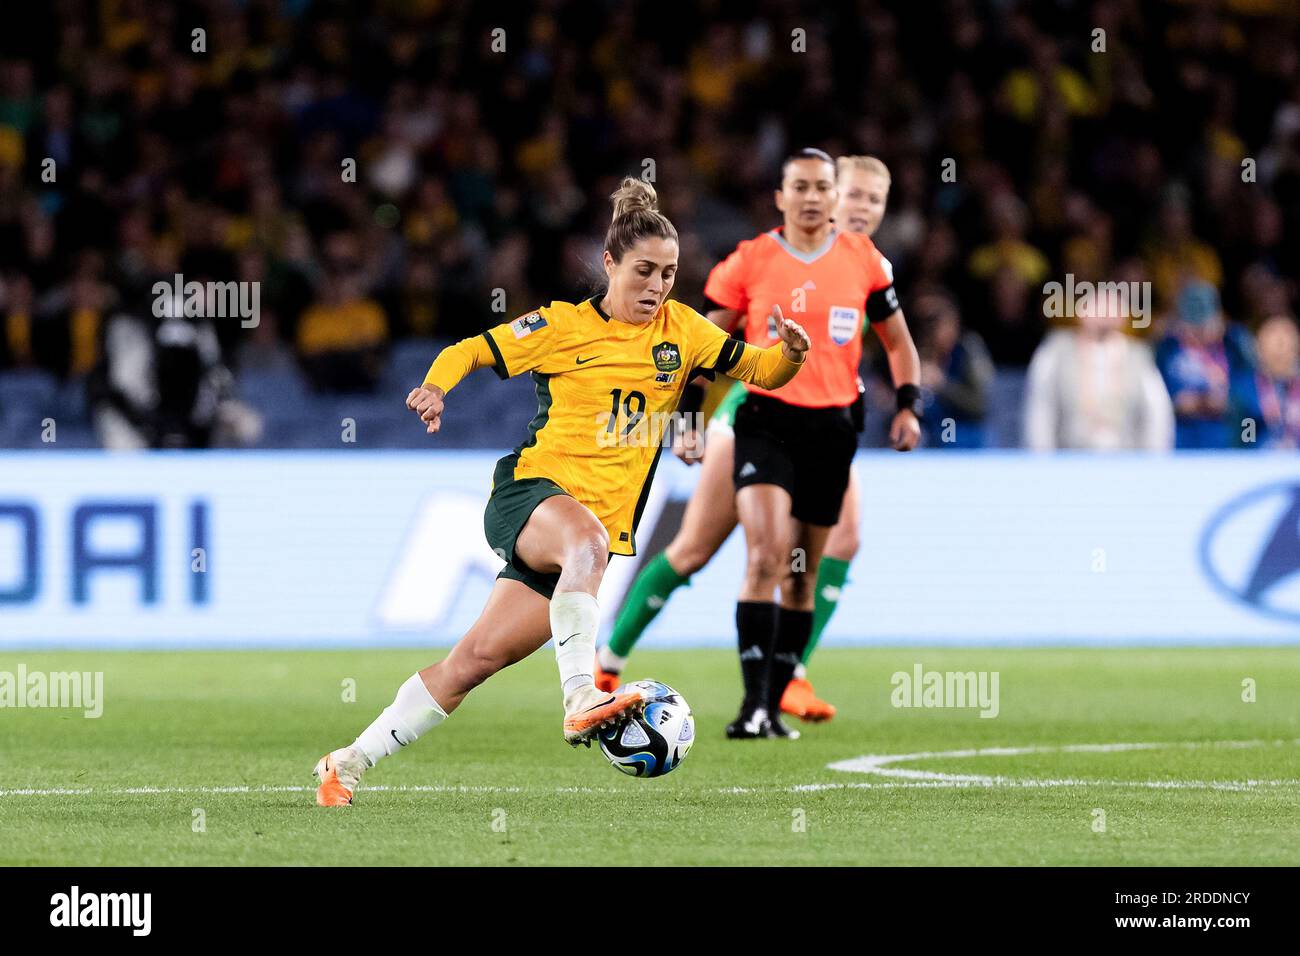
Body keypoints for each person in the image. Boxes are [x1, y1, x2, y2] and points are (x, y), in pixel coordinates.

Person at [313, 178, 811, 805]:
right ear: (609, 264)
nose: (658, 286)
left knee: (472, 662)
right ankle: (581, 695)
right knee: (586, 540)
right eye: (645, 270)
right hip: (531, 496)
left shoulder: (684, 331)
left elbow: (761, 369)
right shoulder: (561, 325)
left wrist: (791, 354)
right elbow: (469, 350)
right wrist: (437, 387)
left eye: (670, 273)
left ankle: (347, 762)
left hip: (583, 545)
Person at [594, 155, 906, 724]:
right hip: (751, 417)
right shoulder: (777, 258)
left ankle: (790, 679)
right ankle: (608, 660)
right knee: (694, 550)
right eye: (852, 196)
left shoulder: (867, 267)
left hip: (824, 425)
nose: (860, 208)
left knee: (840, 542)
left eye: (873, 201)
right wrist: (689, 413)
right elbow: (715, 336)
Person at [1023, 296, 1174, 451]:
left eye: (1111, 306)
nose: (1105, 313)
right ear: (1080, 312)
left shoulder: (1138, 356)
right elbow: (1041, 407)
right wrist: (1041, 457)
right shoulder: (1056, 351)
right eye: (1098, 306)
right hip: (1069, 456)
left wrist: (1153, 460)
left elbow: (1156, 412)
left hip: (1125, 457)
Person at [1155, 281, 1254, 448]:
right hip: (1179, 441)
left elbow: (1252, 388)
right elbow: (1154, 392)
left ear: (1218, 316)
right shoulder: (1167, 347)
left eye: (1204, 321)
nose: (1199, 329)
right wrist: (1174, 404)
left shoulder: (1234, 344)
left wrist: (1230, 401)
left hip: (1225, 440)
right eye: (1192, 323)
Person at [1231, 314, 1300, 449]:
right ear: (1258, 346)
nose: (1280, 345)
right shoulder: (1245, 388)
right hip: (1260, 463)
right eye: (1272, 337)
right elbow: (1244, 438)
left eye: (1286, 337)